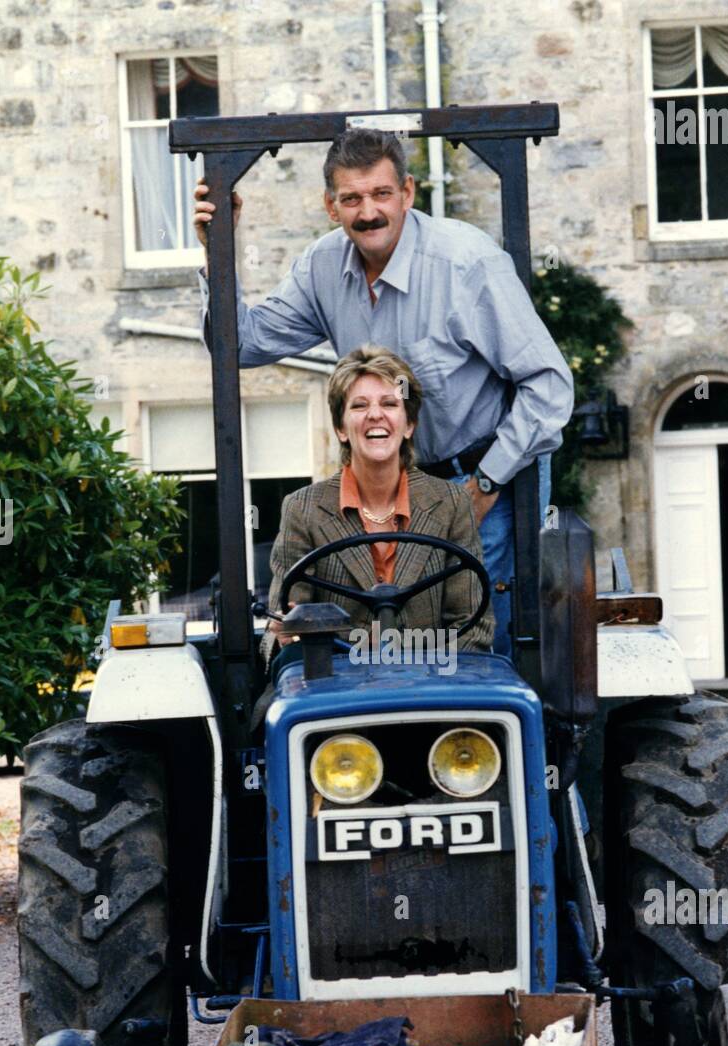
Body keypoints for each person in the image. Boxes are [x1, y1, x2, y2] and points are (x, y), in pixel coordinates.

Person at [193, 126, 573, 657]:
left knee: (480, 642)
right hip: (393, 488)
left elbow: (548, 385)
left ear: (408, 193)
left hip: (487, 474)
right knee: (388, 642)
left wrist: (485, 486)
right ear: (331, 206)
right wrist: (220, 254)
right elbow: (242, 344)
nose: (368, 212)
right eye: (351, 199)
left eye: (381, 194)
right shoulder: (323, 267)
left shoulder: (467, 264)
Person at [263, 343, 494, 671]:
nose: (375, 414)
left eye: (390, 403)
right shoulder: (303, 509)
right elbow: (283, 629)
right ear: (341, 429)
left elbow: (473, 627)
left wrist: (412, 676)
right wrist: (286, 634)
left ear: (409, 425)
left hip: (430, 692)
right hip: (336, 696)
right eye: (359, 405)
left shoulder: (451, 504)